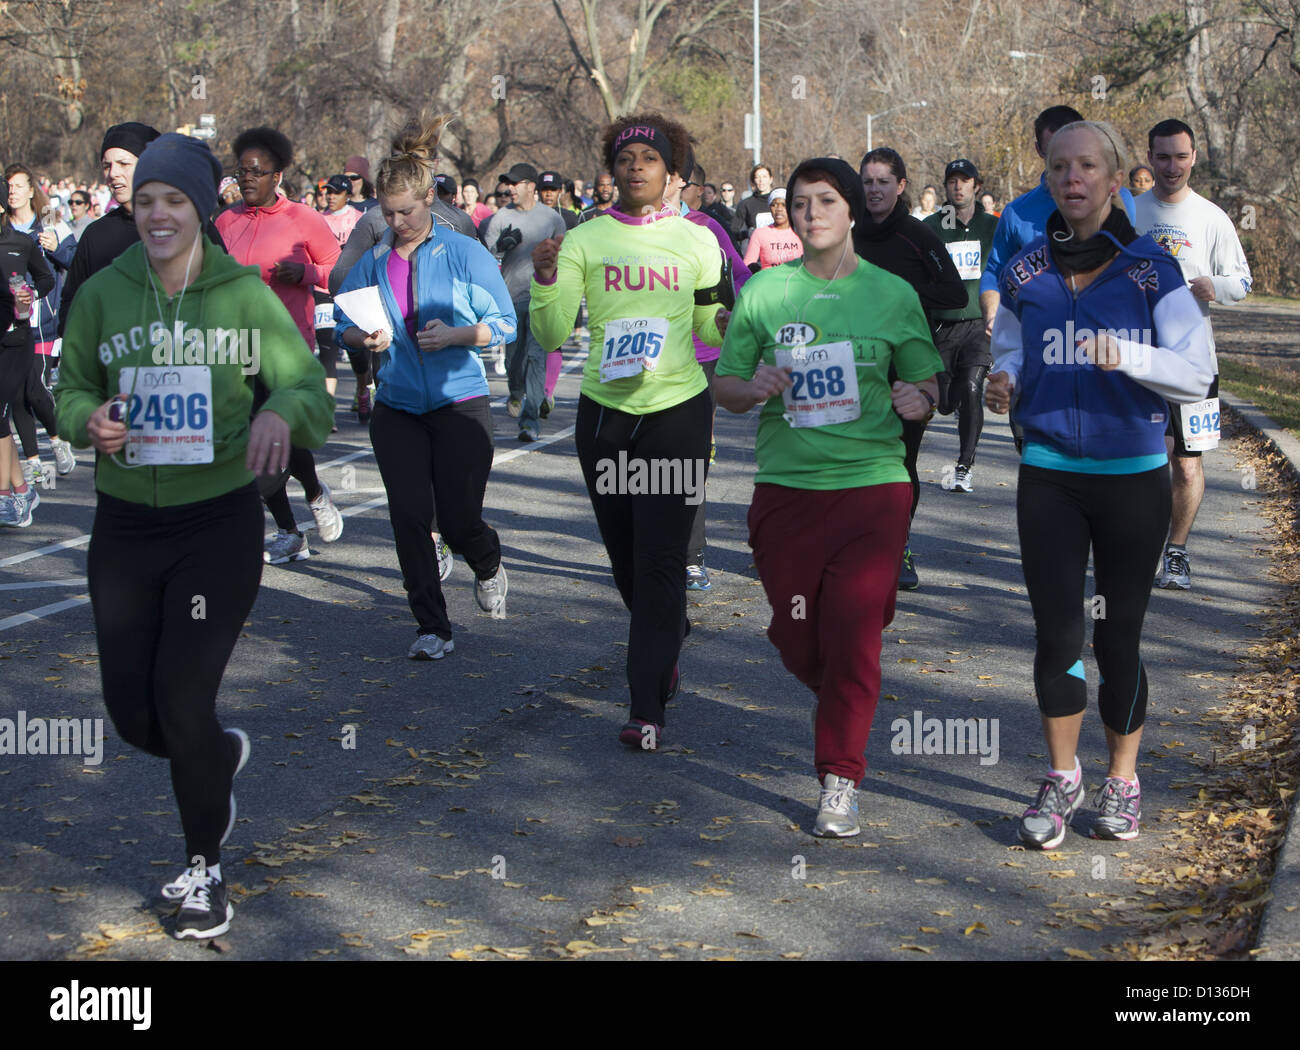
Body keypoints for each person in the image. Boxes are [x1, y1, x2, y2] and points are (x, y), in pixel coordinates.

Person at [54, 133, 333, 937]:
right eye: (145, 200)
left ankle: (206, 870)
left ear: (201, 208)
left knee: (181, 698)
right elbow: (71, 389)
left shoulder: (241, 297)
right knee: (133, 713)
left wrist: (280, 411)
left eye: (173, 200)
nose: (157, 214)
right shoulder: (105, 292)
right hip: (125, 527)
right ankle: (214, 756)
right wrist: (88, 419)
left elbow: (306, 386)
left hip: (215, 524)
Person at [984, 121, 1212, 849]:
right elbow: (1013, 345)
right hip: (1049, 474)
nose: (1072, 177)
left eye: (1086, 166)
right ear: (1047, 179)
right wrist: (1005, 377)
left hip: (1131, 478)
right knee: (1057, 635)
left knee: (1118, 639)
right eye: (1059, 167)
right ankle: (1061, 777)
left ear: (1115, 179)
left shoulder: (1152, 268)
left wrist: (1130, 354)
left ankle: (1122, 779)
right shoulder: (1025, 270)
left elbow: (1197, 372)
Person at [716, 157, 941, 836]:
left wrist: (917, 397)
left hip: (873, 488)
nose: (813, 213)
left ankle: (839, 776)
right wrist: (749, 389)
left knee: (852, 635)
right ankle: (840, 685)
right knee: (795, 635)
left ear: (851, 212)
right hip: (787, 490)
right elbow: (723, 387)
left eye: (827, 201)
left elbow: (929, 385)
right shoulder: (764, 294)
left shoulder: (893, 293)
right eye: (801, 203)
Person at [529, 112, 730, 749]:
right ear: (611, 171)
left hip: (676, 412)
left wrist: (739, 317)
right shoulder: (584, 240)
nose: (636, 166)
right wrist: (543, 280)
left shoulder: (699, 241)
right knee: (627, 563)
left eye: (650, 158)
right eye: (626, 158)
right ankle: (666, 632)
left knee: (662, 560)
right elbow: (552, 335)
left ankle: (646, 707)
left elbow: (708, 331)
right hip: (606, 418)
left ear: (672, 174)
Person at [334, 115, 515, 660]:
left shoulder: (462, 251)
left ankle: (486, 560)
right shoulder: (372, 260)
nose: (396, 222)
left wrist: (459, 334)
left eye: (406, 211)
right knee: (410, 516)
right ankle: (431, 626)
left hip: (460, 401)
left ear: (429, 201)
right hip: (398, 406)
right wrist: (360, 339)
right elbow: (341, 319)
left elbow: (504, 320)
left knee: (459, 521)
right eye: (387, 213)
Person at [216, 126, 343, 565]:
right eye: (241, 171)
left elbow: (339, 271)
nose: (246, 179)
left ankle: (313, 494)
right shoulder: (225, 221)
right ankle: (290, 530)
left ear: (277, 176)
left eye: (257, 172)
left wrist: (305, 274)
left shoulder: (303, 219)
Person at [1135, 118, 1252, 590]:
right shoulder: (1130, 212)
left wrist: (1215, 286)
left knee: (1186, 461)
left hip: (1194, 360)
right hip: (1137, 358)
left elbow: (1242, 281)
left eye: (1180, 156)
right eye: (1162, 157)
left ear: (1194, 157)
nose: (1171, 166)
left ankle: (1176, 551)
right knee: (1145, 460)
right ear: (1149, 158)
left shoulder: (1212, 217)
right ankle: (1138, 548)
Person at [854, 146, 966, 589]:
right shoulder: (847, 232)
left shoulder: (918, 237)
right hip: (855, 366)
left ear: (901, 187)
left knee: (900, 462)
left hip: (908, 368)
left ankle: (898, 547)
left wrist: (899, 295)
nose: (875, 189)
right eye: (868, 182)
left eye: (884, 181)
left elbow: (954, 295)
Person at [979, 106, 1139, 340]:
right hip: (1040, 337)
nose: (1070, 168)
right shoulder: (1017, 213)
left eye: (1078, 151)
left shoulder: (1119, 198)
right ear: (1040, 150)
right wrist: (993, 314)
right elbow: (995, 271)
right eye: (1057, 152)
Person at [58, 122, 227, 338]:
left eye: (123, 163)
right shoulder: (96, 235)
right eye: (107, 166)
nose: (113, 174)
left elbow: (225, 295)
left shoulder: (193, 227)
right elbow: (71, 306)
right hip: (114, 364)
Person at [676, 153, 750, 591]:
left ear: (691, 189)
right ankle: (646, 548)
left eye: (677, 184)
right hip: (644, 362)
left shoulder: (707, 228)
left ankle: (690, 556)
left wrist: (728, 312)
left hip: (700, 355)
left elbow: (740, 278)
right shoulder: (625, 227)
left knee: (690, 455)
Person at [922, 158, 999, 492]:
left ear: (976, 186)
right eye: (952, 181)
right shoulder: (932, 226)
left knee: (971, 387)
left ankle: (964, 466)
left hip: (979, 325)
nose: (958, 186)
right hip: (943, 327)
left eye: (965, 180)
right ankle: (948, 402)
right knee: (946, 401)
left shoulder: (993, 226)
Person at [480, 162, 566, 441]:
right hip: (510, 296)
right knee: (514, 360)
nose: (510, 189)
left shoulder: (551, 219)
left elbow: (564, 257)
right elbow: (486, 258)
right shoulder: (499, 218)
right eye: (508, 184)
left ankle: (530, 421)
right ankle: (516, 391)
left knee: (536, 356)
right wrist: (499, 248)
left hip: (542, 298)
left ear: (531, 186)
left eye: (516, 184)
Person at [4, 163, 77, 486]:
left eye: (19, 186)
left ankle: (59, 439)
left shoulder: (50, 222)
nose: (13, 191)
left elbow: (75, 260)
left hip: (43, 320)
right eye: (9, 186)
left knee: (34, 390)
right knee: (16, 396)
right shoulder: (4, 228)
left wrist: (56, 248)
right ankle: (33, 464)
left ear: (31, 190)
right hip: (11, 325)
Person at [0, 174, 54, 527]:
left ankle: (9, 495)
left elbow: (46, 278)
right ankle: (22, 490)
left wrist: (30, 292)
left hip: (14, 342)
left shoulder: (20, 243)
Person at [742, 187, 802, 271]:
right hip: (769, 282)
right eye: (774, 205)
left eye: (783, 205)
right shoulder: (759, 233)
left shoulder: (801, 232)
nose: (779, 209)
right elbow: (748, 264)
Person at [731, 163, 774, 253]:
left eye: (764, 176)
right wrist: (747, 233)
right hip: (756, 257)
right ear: (753, 181)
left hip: (780, 255)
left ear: (771, 179)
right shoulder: (745, 204)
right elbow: (732, 233)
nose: (761, 180)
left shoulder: (780, 202)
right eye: (757, 177)